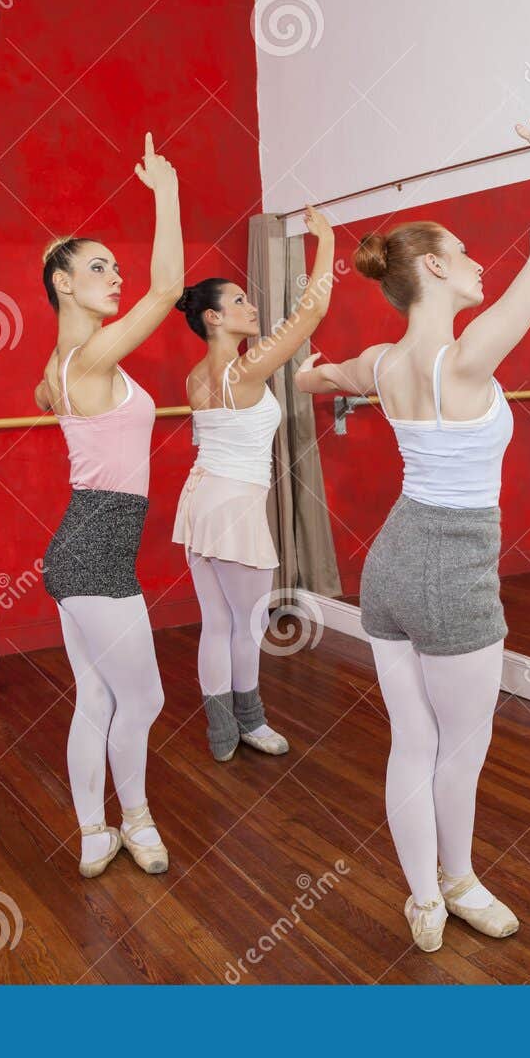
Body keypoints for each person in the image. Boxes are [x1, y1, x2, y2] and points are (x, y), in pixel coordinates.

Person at [295, 113, 530, 951]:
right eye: (467, 250)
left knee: (413, 742)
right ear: (437, 269)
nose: (483, 262)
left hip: (390, 562)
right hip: (451, 570)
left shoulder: (381, 362)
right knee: (462, 747)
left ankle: (424, 897)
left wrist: (303, 333)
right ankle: (458, 881)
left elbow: (308, 373)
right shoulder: (467, 358)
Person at [33, 133, 181, 876]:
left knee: (97, 693)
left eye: (115, 268)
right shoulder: (86, 359)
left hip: (81, 545)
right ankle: (137, 819)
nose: (116, 276)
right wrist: (168, 191)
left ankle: (97, 829)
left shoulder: (63, 365)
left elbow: (48, 397)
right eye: (97, 267)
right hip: (93, 550)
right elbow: (167, 289)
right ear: (62, 283)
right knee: (145, 698)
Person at [172, 205, 337, 760]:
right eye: (239, 300)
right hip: (234, 505)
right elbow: (311, 310)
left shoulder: (196, 376)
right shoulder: (243, 369)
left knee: (218, 625)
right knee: (244, 625)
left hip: (201, 499)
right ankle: (250, 722)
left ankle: (224, 733)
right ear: (213, 318)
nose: (251, 305)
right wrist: (327, 242)